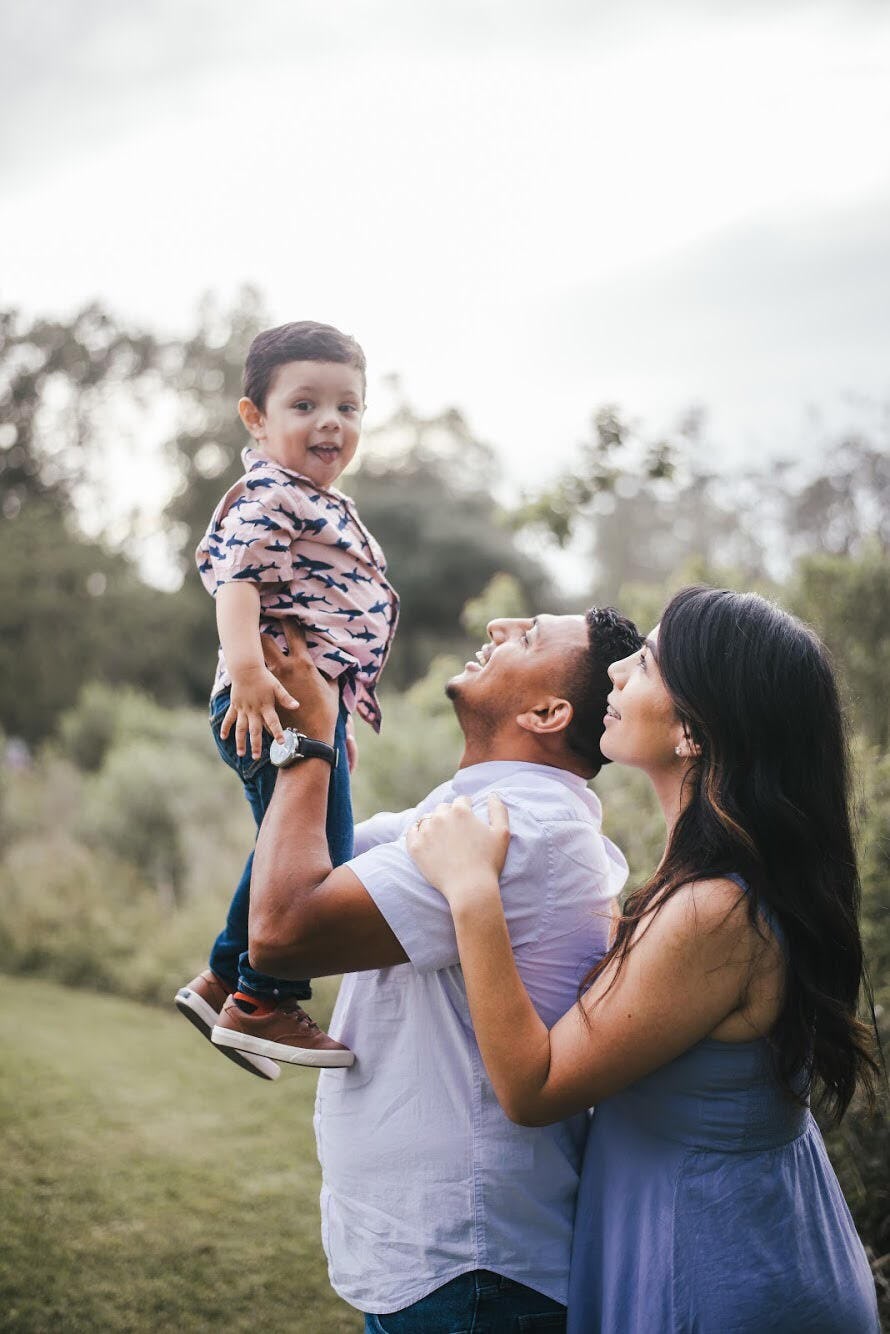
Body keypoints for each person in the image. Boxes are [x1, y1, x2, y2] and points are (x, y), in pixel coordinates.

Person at [406, 585, 881, 1333]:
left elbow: (536, 1088)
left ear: (694, 728)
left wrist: (471, 893)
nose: (619, 670)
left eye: (650, 662)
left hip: (716, 1267)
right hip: (711, 1229)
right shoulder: (714, 885)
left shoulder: (714, 912)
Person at [228, 607, 642, 1329]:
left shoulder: (522, 830)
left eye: (531, 636)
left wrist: (314, 742)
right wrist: (294, 719)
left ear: (548, 712)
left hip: (473, 1271)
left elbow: (281, 931)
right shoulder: (465, 815)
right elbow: (295, 869)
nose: (500, 625)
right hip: (448, 1263)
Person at [175, 320, 399, 1079]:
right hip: (265, 701)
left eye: (349, 407)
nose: (331, 421)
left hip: (299, 707)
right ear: (257, 418)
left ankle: (221, 983)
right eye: (304, 404)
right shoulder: (273, 493)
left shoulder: (313, 498)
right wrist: (245, 672)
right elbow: (236, 581)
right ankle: (263, 1000)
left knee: (284, 847)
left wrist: (337, 718)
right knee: (316, 861)